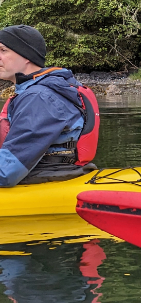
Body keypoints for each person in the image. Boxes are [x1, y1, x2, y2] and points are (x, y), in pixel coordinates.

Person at [0, 25, 87, 186]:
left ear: (26, 55)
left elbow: (6, 172)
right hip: (49, 171)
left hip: (45, 175)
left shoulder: (39, 98)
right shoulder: (37, 92)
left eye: (3, 50)